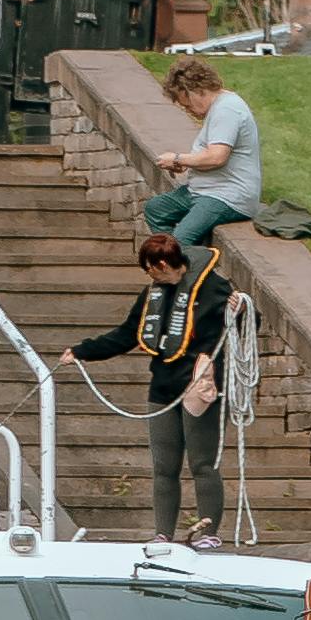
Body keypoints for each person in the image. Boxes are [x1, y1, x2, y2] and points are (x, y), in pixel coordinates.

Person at [72, 232, 237, 543]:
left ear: (162, 265)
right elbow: (127, 334)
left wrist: (240, 311)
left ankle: (209, 532)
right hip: (162, 386)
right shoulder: (153, 294)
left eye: (150, 269)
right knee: (164, 466)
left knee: (203, 463)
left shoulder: (215, 288)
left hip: (199, 385)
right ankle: (163, 533)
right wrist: (83, 351)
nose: (149, 276)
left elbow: (241, 327)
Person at [143, 57, 260, 252]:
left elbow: (217, 157)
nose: (188, 110)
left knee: (180, 241)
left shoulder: (227, 110)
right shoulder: (218, 109)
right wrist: (186, 163)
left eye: (186, 105)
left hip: (227, 195)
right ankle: (177, 263)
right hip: (203, 191)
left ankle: (181, 271)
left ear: (194, 91)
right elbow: (209, 155)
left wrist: (178, 158)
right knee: (156, 209)